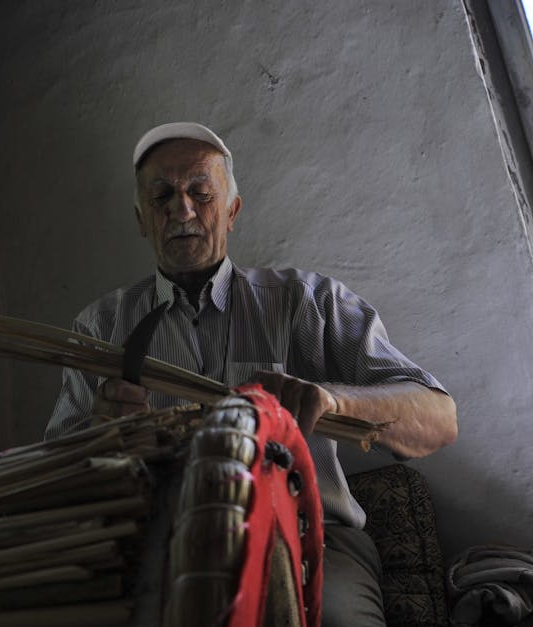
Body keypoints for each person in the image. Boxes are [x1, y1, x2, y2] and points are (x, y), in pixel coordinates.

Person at [46, 122, 458, 626]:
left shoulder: (305, 304)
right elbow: (56, 477)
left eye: (201, 192)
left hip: (310, 535)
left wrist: (333, 403)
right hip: (161, 542)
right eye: (161, 196)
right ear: (141, 220)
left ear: (233, 211)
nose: (182, 210)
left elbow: (440, 419)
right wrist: (99, 434)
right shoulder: (101, 329)